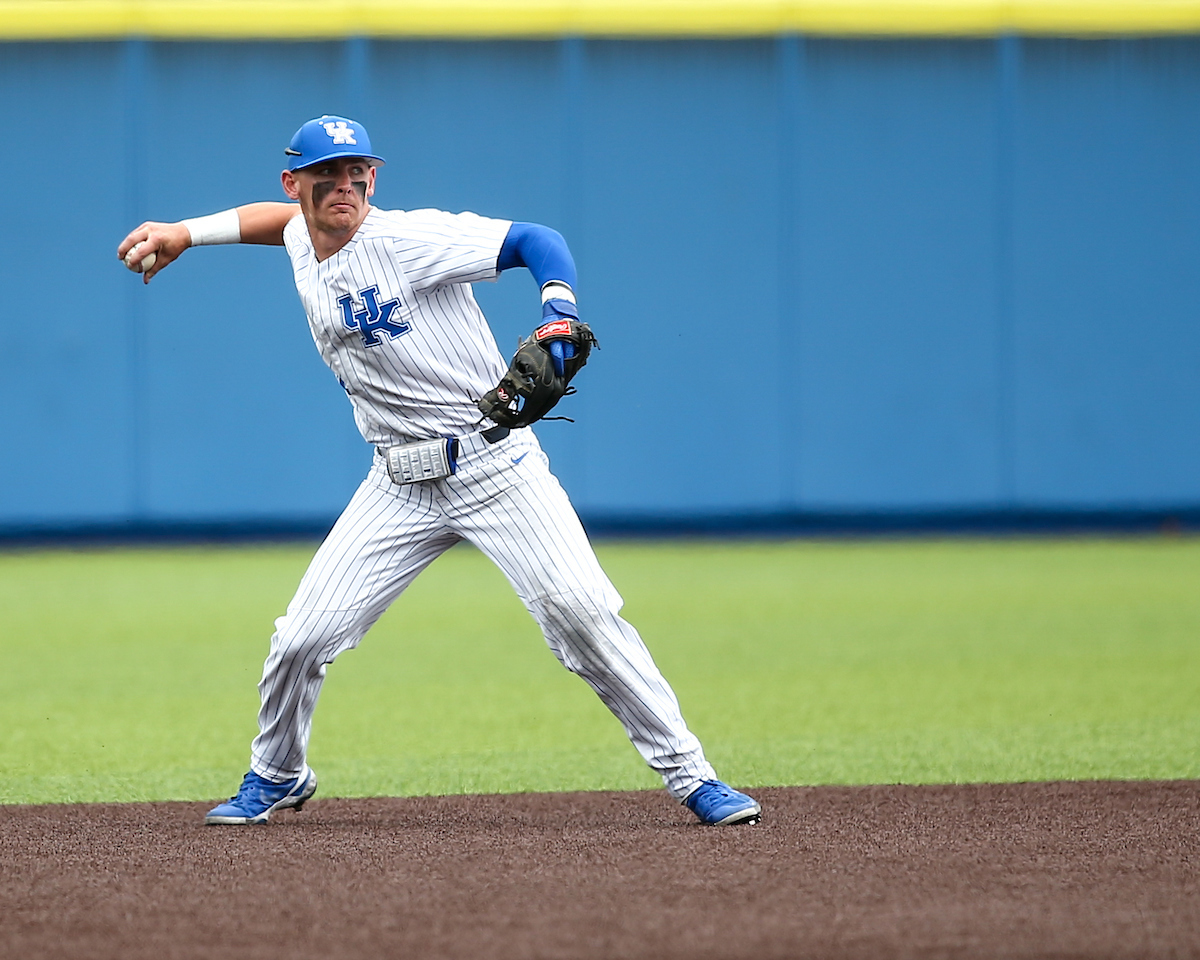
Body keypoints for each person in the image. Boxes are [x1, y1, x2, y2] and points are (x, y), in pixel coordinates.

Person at [118, 115, 761, 827]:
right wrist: (186, 232)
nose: (345, 185)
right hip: (397, 484)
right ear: (294, 182)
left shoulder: (408, 240)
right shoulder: (304, 233)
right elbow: (274, 222)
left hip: (495, 467)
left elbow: (536, 240)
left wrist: (557, 306)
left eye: (357, 171)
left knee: (582, 614)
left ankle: (694, 776)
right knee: (300, 639)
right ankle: (279, 772)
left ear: (374, 177)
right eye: (327, 174)